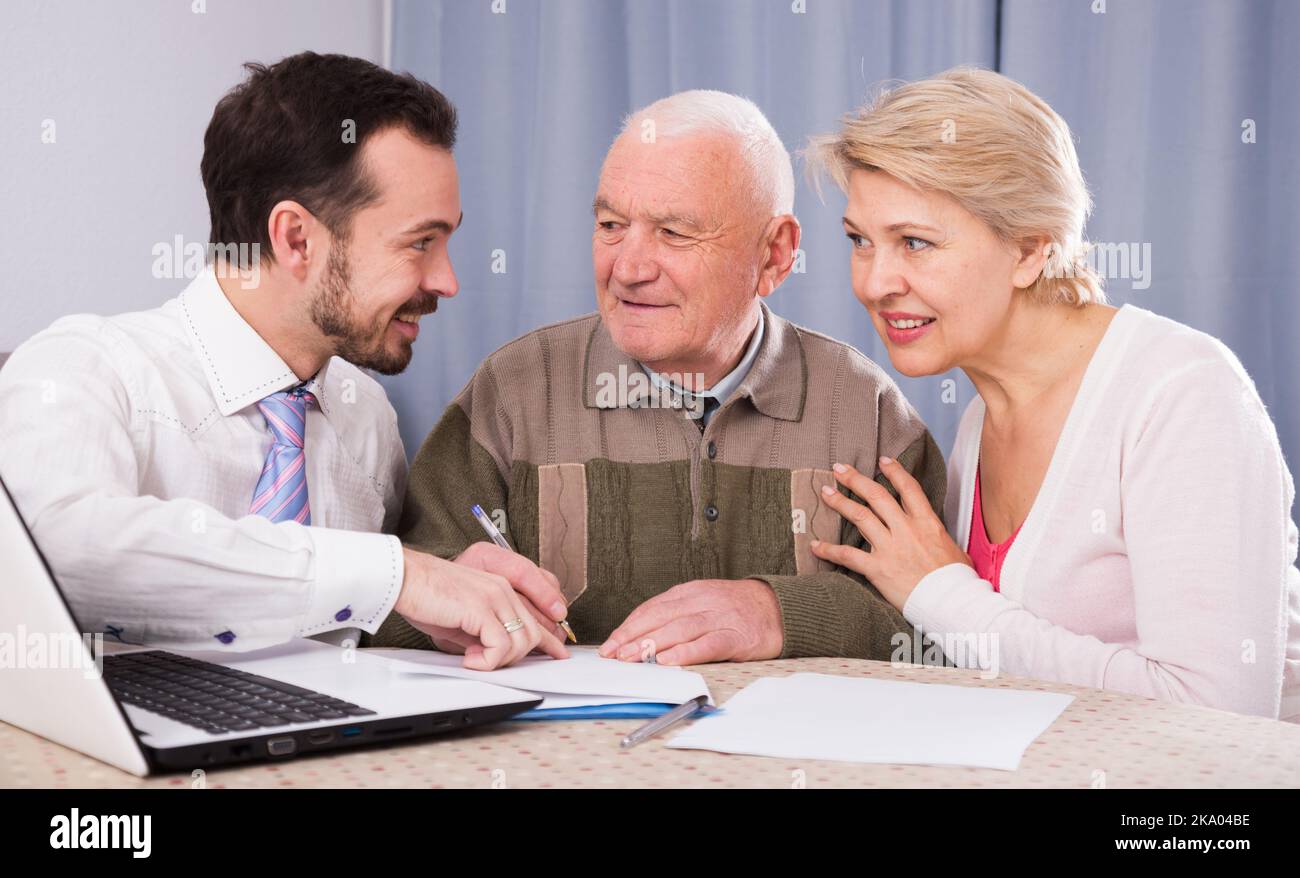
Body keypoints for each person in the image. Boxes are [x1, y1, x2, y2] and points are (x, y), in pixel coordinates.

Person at [0, 52, 568, 670]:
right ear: (296, 238)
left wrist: (431, 590)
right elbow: (59, 554)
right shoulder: (82, 369)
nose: (449, 281)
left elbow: (362, 610)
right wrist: (395, 573)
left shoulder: (364, 416)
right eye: (420, 243)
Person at [372, 90, 946, 665]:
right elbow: (387, 618)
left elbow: (938, 631)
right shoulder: (515, 389)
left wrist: (778, 614)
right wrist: (443, 599)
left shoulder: (868, 412)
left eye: (674, 232)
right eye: (611, 224)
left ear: (774, 255)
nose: (628, 268)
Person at [806, 66, 1299, 719]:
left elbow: (1214, 710)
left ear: (1030, 250)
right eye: (860, 241)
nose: (874, 282)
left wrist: (940, 592)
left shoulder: (1182, 394)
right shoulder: (980, 418)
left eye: (915, 242)